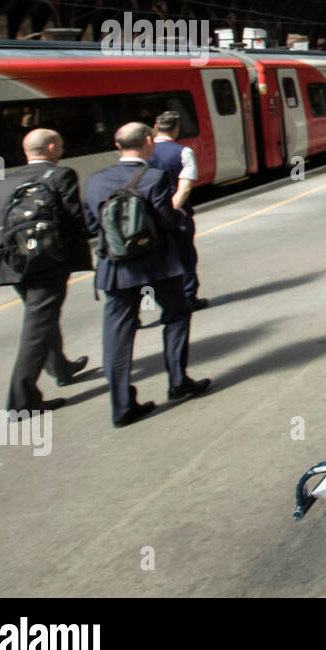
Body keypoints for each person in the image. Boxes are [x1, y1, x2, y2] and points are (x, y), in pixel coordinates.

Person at [84, 123, 210, 428]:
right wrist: (179, 217)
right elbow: (166, 219)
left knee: (118, 335)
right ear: (149, 142)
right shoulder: (153, 177)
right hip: (159, 265)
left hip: (115, 268)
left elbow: (90, 226)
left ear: (117, 146)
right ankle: (178, 382)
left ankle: (122, 407)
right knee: (177, 315)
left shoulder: (95, 181)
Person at [0, 128, 92, 413]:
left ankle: (61, 368)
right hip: (48, 263)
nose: (62, 150)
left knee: (41, 319)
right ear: (52, 147)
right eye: (61, 145)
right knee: (36, 329)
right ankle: (22, 401)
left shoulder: (1, 182)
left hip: (13, 263)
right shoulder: (61, 175)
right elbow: (75, 218)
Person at [149, 110, 206, 311]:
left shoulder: (145, 152)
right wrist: (171, 212)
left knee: (152, 260)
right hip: (178, 215)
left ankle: (144, 305)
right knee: (185, 256)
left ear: (155, 128)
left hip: (149, 216)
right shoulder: (183, 152)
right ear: (176, 129)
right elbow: (185, 188)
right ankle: (188, 297)